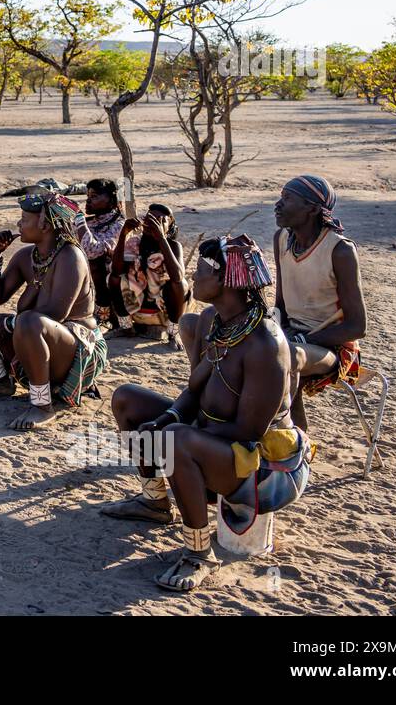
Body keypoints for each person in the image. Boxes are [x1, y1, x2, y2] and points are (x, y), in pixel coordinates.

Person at [101, 235, 308, 592]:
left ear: (227, 280)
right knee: (127, 400)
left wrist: (174, 438)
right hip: (215, 438)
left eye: (200, 271)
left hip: (263, 466)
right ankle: (154, 501)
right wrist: (166, 419)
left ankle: (200, 554)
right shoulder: (213, 320)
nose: (192, 278)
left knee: (174, 441)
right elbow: (194, 391)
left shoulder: (265, 344)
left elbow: (249, 430)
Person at [0, 191, 108, 431]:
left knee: (29, 321)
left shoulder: (71, 257)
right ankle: (0, 379)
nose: (19, 224)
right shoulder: (26, 256)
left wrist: (9, 324)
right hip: (37, 334)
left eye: (25, 219)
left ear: (46, 225)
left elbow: (55, 313)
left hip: (77, 349)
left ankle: (42, 406)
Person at [271, 175, 366, 431]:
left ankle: (295, 447)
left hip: (334, 348)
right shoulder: (281, 239)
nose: (277, 205)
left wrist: (302, 339)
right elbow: (280, 302)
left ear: (312, 209)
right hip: (292, 336)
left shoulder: (340, 250)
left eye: (287, 199)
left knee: (285, 356)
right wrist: (274, 327)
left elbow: (357, 327)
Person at [108, 203, 190, 346]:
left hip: (166, 306)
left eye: (160, 221)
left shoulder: (173, 246)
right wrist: (123, 234)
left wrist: (161, 238)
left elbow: (177, 276)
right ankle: (126, 328)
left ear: (169, 227)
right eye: (150, 219)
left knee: (180, 283)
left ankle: (173, 333)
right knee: (113, 278)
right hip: (137, 302)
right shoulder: (135, 243)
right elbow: (116, 270)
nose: (153, 224)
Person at [73, 178, 124, 327]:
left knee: (97, 263)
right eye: (88, 197)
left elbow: (92, 251)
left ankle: (104, 316)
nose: (88, 201)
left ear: (111, 200)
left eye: (94, 197)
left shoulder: (119, 224)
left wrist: (79, 220)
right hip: (83, 280)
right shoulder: (91, 222)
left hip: (112, 283)